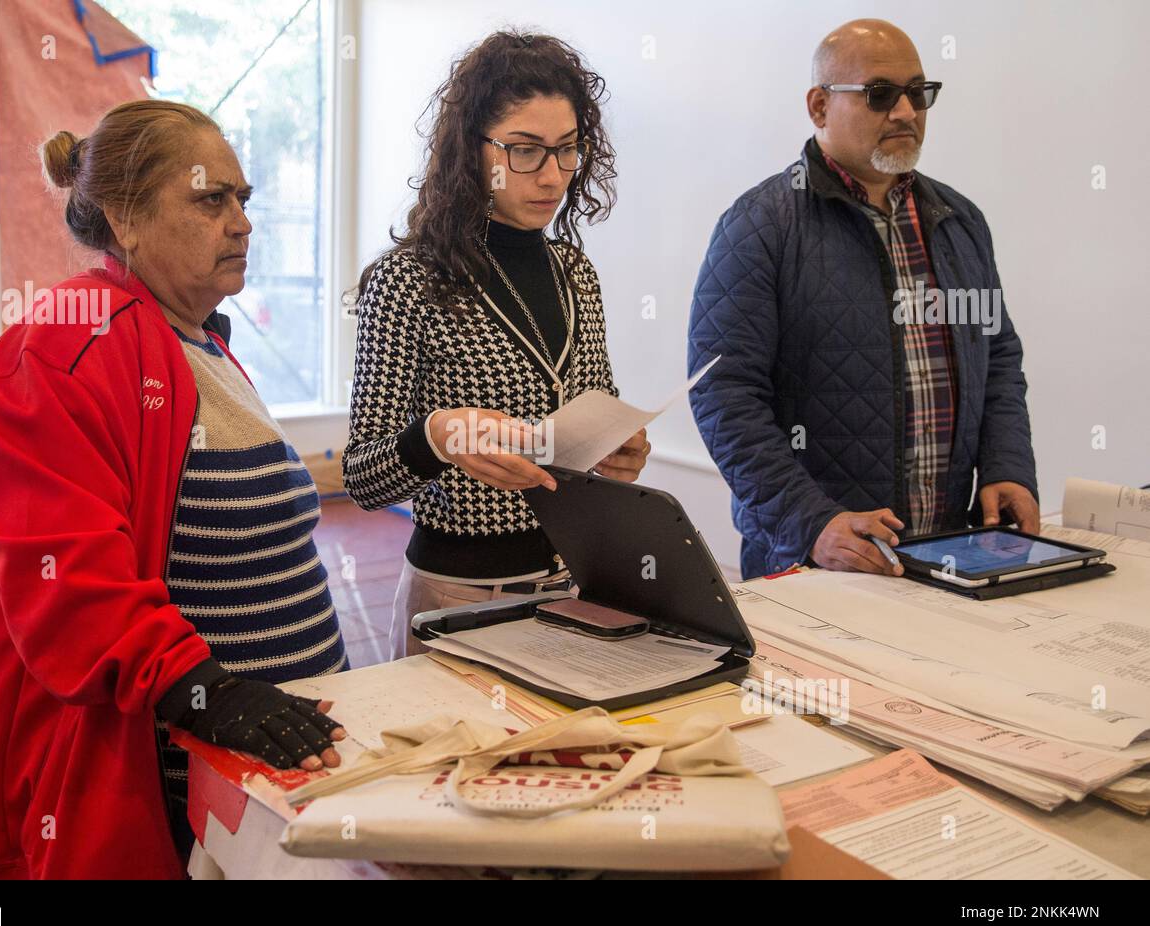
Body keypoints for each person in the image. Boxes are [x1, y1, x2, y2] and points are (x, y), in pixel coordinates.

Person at [0, 100, 347, 879]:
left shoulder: (198, 344)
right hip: (171, 787)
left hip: (265, 772)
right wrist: (210, 695)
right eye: (210, 200)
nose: (242, 222)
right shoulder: (67, 345)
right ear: (125, 219)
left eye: (244, 199)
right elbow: (66, 579)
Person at [687, 19, 1039, 580]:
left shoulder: (958, 222)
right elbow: (724, 396)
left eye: (917, 93)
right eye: (880, 94)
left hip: (950, 555)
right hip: (816, 567)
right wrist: (811, 523)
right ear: (820, 107)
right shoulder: (760, 227)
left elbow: (996, 360)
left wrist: (1007, 467)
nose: (905, 112)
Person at [344, 31, 649, 657]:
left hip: (573, 582)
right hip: (458, 595)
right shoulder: (411, 279)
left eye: (567, 150)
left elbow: (598, 410)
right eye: (525, 151)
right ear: (471, 149)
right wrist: (436, 437)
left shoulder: (574, 272)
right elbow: (363, 477)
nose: (553, 176)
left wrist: (622, 452)